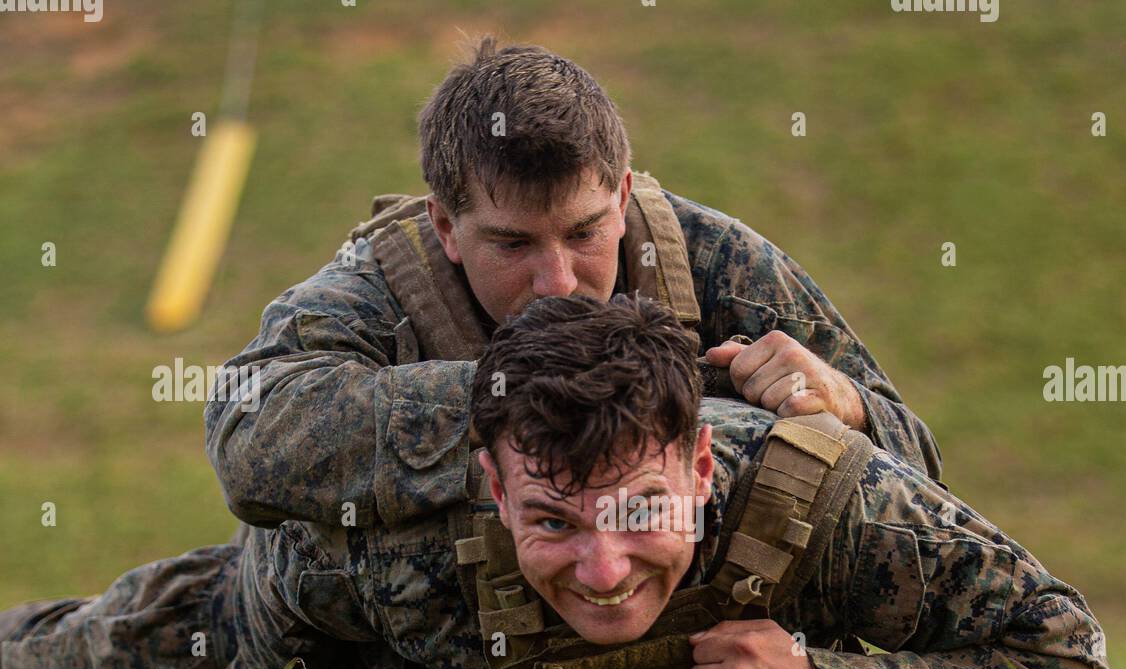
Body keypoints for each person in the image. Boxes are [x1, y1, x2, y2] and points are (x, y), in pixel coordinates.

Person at [2, 296, 1113, 669]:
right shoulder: (382, 555)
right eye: (551, 522)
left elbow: (1068, 658)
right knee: (59, 665)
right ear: (489, 490)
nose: (600, 568)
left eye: (639, 511)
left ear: (697, 469)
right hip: (254, 598)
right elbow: (275, 609)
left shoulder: (833, 505)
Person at [204, 35, 942, 542]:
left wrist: (846, 405)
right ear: (445, 226)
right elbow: (251, 431)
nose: (558, 280)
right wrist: (526, 397)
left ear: (621, 198)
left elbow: (924, 480)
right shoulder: (387, 279)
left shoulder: (714, 260)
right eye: (513, 244)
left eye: (585, 233)